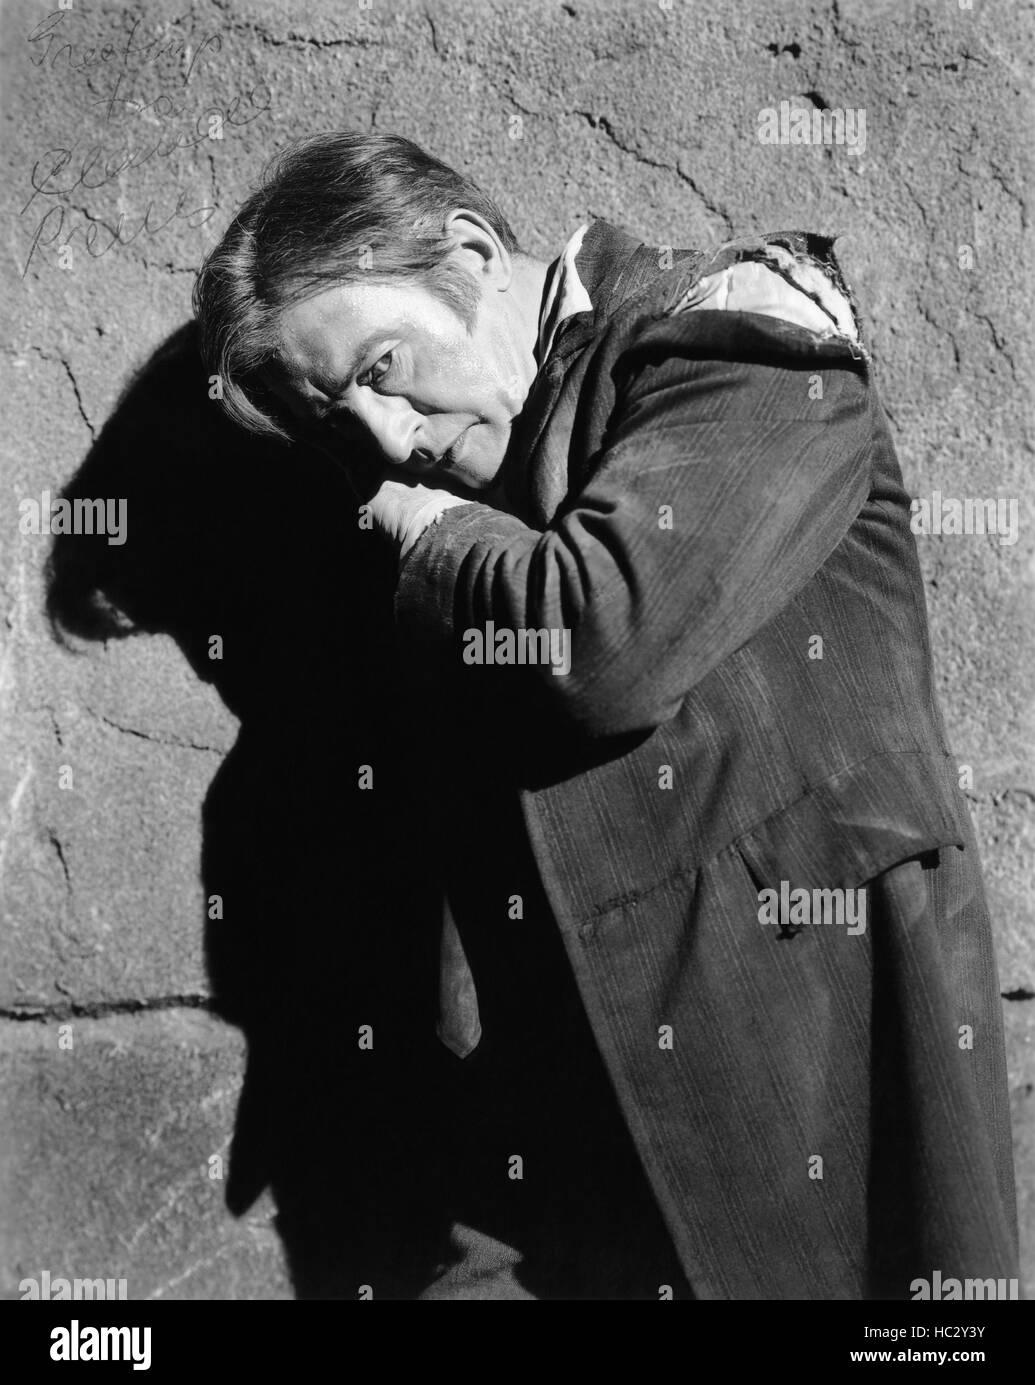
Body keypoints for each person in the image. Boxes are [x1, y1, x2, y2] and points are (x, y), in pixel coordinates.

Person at [193, 130, 1018, 1299]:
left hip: (818, 1076)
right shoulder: (455, 542)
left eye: (380, 369)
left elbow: (602, 637)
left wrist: (423, 530)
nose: (385, 446)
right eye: (337, 425)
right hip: (576, 1173)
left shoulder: (736, 334)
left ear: (469, 254)